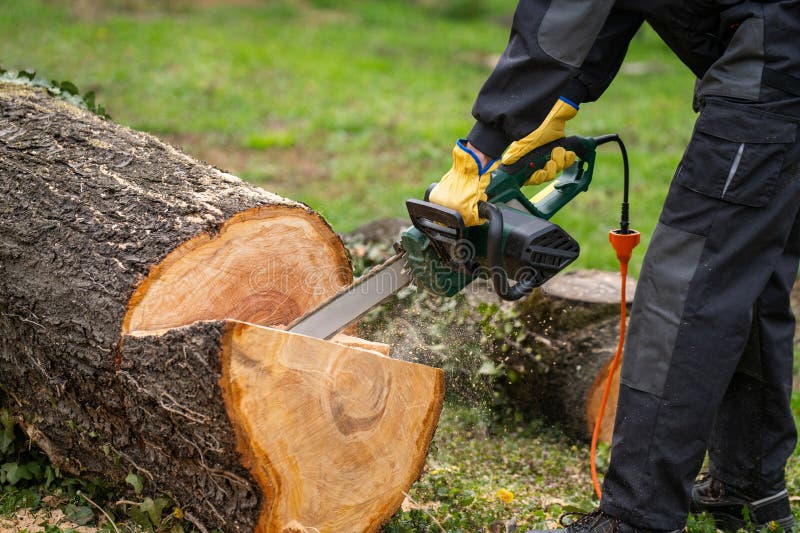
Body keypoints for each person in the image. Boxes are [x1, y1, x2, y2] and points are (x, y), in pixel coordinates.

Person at [428, 2, 800, 532]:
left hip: (774, 63)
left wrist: (483, 147)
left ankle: (639, 516)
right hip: (779, 62)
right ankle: (748, 486)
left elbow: (564, 11)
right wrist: (557, 104)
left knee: (686, 284)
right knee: (744, 273)